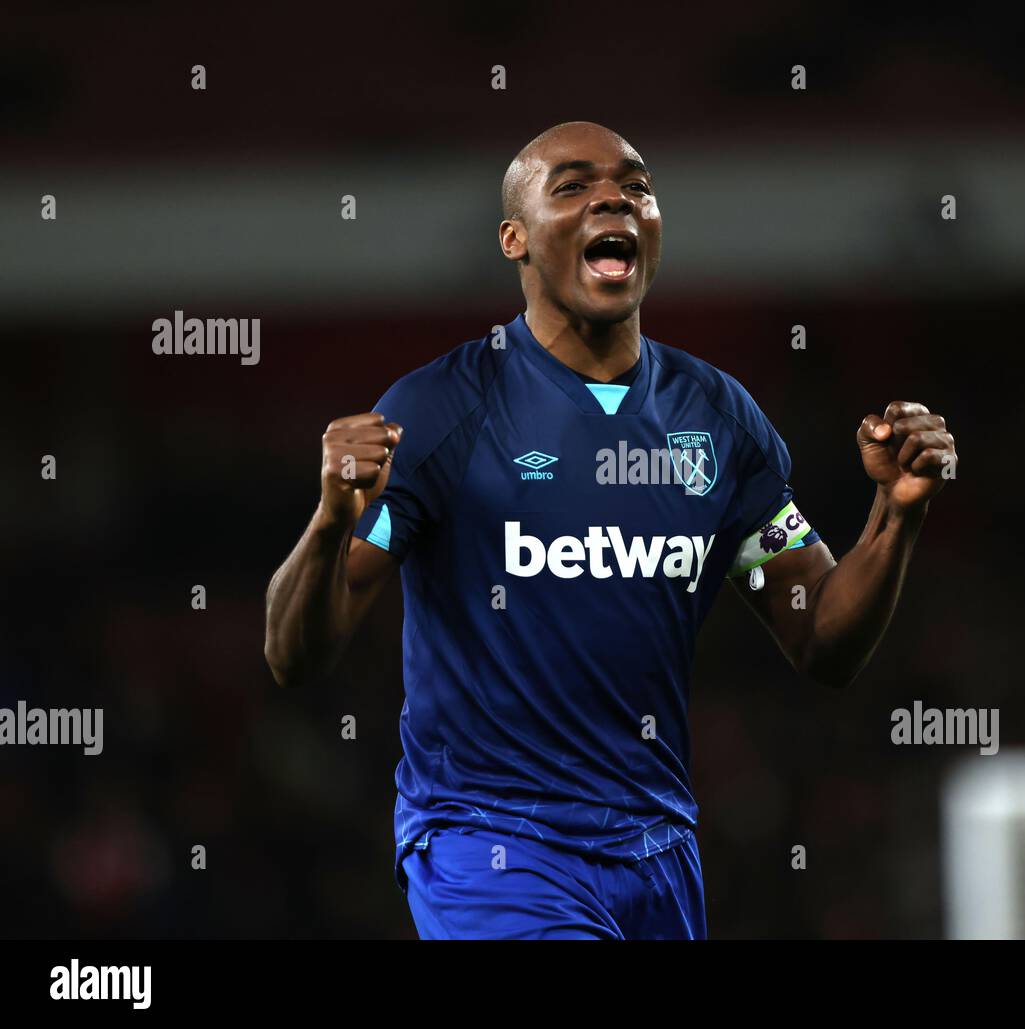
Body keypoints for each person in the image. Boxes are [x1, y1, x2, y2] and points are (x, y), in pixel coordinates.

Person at [264, 121, 958, 939]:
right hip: (492, 842)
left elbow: (821, 639)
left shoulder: (717, 420)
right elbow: (293, 653)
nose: (612, 197)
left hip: (658, 851)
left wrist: (897, 514)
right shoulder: (440, 410)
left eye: (635, 185)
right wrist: (330, 519)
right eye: (572, 185)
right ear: (514, 239)